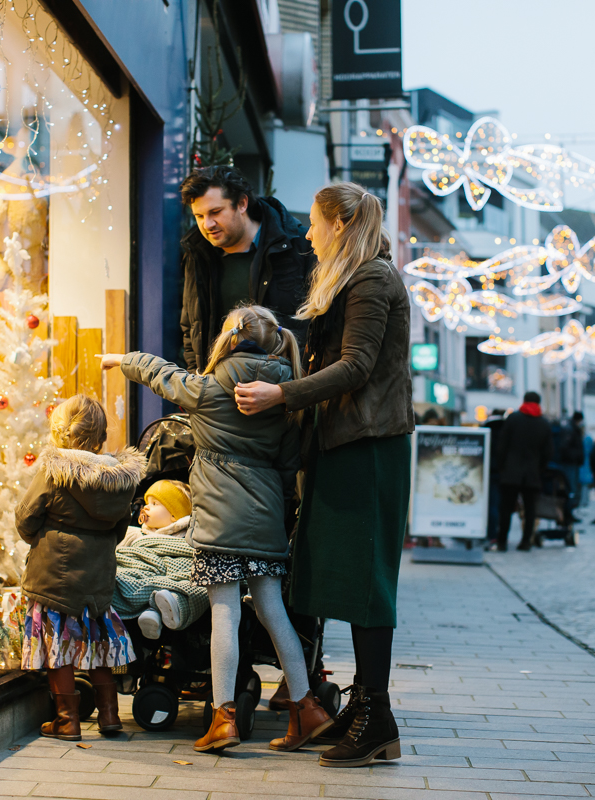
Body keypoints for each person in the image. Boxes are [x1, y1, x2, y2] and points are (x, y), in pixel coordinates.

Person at [232, 183, 413, 768]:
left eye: (314, 223)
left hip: (369, 446)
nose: (307, 234)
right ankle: (363, 709)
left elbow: (356, 366)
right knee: (343, 577)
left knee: (366, 582)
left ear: (341, 223)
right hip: (344, 444)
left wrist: (280, 393)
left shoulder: (373, 279)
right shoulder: (357, 278)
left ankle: (376, 715)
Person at [102, 304, 332, 754]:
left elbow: (162, 374)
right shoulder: (283, 395)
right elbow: (288, 468)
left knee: (224, 611)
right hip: (265, 519)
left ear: (226, 342)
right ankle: (306, 708)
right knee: (272, 609)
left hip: (219, 524)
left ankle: (223, 716)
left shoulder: (209, 388)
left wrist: (122, 359)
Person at [15, 395, 146, 740]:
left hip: (54, 576)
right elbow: (119, 530)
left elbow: (27, 517)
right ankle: (109, 715)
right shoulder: (120, 478)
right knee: (99, 643)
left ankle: (67, 720)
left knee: (57, 646)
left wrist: (38, 538)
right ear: (101, 436)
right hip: (98, 577)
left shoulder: (53, 470)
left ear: (61, 431)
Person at [179, 166, 316, 372]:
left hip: (282, 389)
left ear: (242, 203)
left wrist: (296, 386)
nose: (207, 224)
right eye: (199, 216)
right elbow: (191, 326)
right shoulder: (197, 254)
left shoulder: (298, 246)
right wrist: (195, 378)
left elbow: (315, 321)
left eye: (215, 212)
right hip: (217, 390)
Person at [113, 480, 209, 640]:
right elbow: (120, 554)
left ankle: (165, 609)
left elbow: (193, 558)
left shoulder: (188, 539)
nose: (146, 507)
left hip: (172, 580)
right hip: (143, 572)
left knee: (197, 581)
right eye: (146, 502)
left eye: (155, 503)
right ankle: (154, 613)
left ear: (174, 515)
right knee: (121, 573)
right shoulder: (136, 534)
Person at [495, 392, 555, 551]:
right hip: (532, 473)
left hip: (511, 471)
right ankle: (526, 541)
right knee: (530, 510)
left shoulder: (513, 419)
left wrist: (501, 466)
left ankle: (502, 542)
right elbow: (548, 452)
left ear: (524, 401)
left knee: (506, 509)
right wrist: (540, 468)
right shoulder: (544, 423)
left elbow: (502, 446)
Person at [483, 409, 509, 549]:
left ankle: (491, 534)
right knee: (502, 505)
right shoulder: (507, 429)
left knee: (491, 504)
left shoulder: (486, 428)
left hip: (488, 471)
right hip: (505, 472)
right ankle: (501, 535)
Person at [560, 411, 586, 518]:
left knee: (571, 488)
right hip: (570, 463)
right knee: (571, 488)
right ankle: (568, 514)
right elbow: (565, 447)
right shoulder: (571, 429)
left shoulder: (571, 428)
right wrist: (576, 456)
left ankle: (568, 513)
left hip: (571, 462)